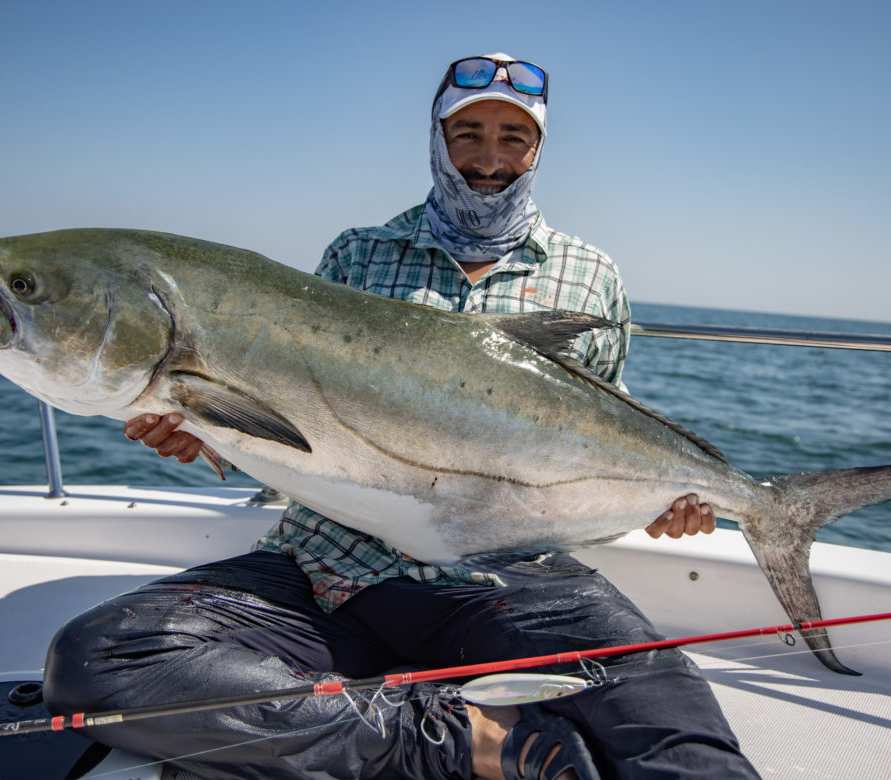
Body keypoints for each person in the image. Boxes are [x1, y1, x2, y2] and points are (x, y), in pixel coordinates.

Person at [45, 54, 758, 780]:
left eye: (513, 138)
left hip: (508, 577)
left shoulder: (592, 275)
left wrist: (665, 499)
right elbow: (285, 405)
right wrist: (199, 429)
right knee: (99, 658)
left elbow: (604, 439)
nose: (488, 158)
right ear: (437, 138)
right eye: (467, 133)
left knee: (672, 723)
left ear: (539, 149)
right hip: (330, 567)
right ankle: (460, 741)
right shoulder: (360, 253)